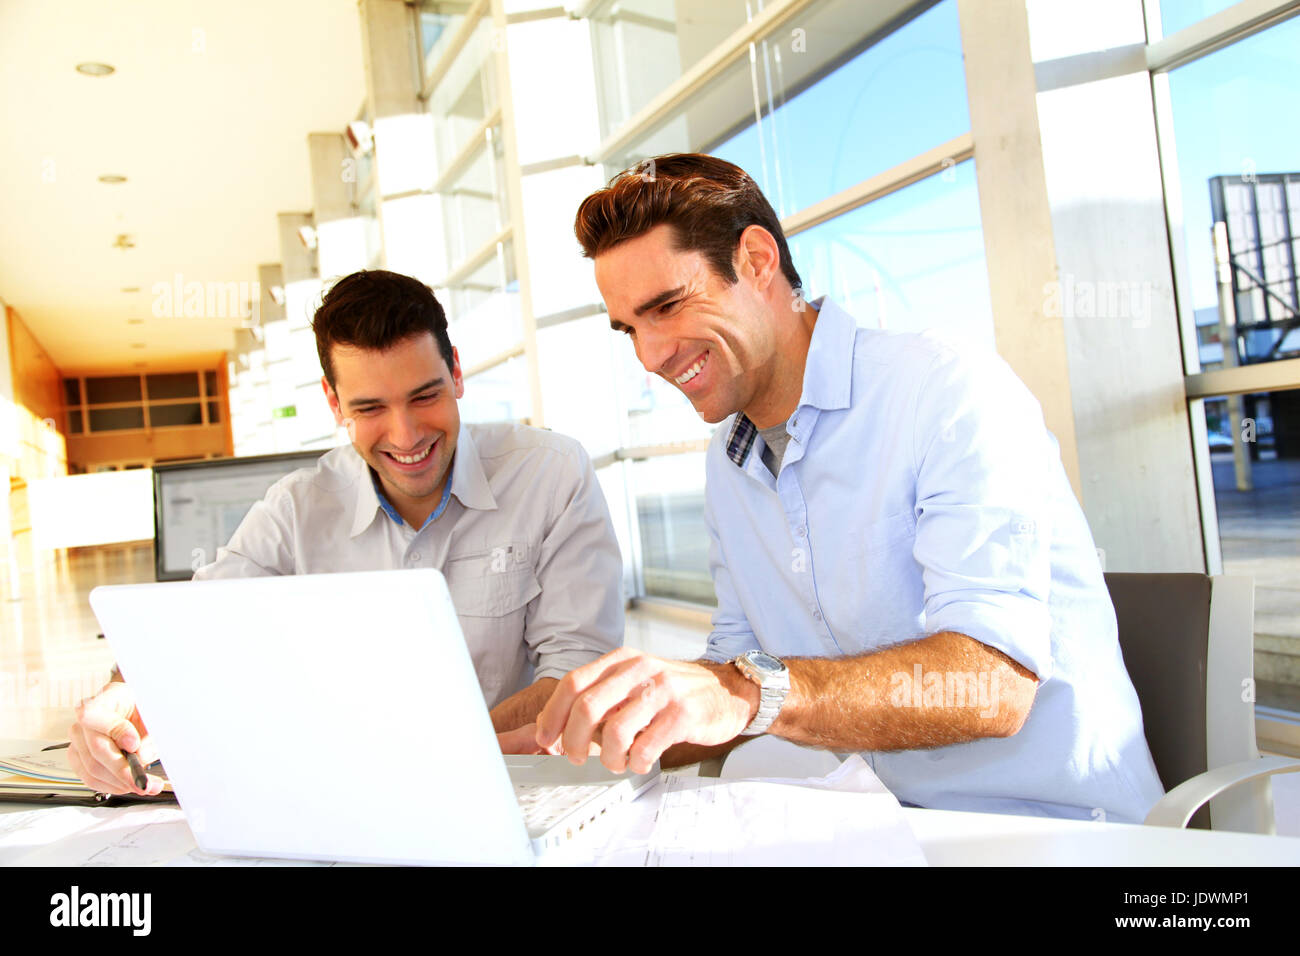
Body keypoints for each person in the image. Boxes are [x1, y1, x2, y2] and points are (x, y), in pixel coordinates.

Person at [536, 153, 1165, 822]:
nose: (651, 356)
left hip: (1054, 832)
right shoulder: (730, 461)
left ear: (755, 260)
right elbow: (732, 668)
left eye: (667, 306)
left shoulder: (946, 391)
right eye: (631, 327)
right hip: (881, 821)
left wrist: (747, 694)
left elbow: (992, 681)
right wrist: (587, 719)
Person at [68, 269, 623, 796]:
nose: (405, 435)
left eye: (424, 395)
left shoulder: (550, 473)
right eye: (370, 407)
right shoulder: (296, 509)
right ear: (335, 404)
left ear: (456, 372)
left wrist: (428, 756)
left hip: (508, 786)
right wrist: (124, 697)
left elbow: (574, 679)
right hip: (344, 795)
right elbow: (185, 637)